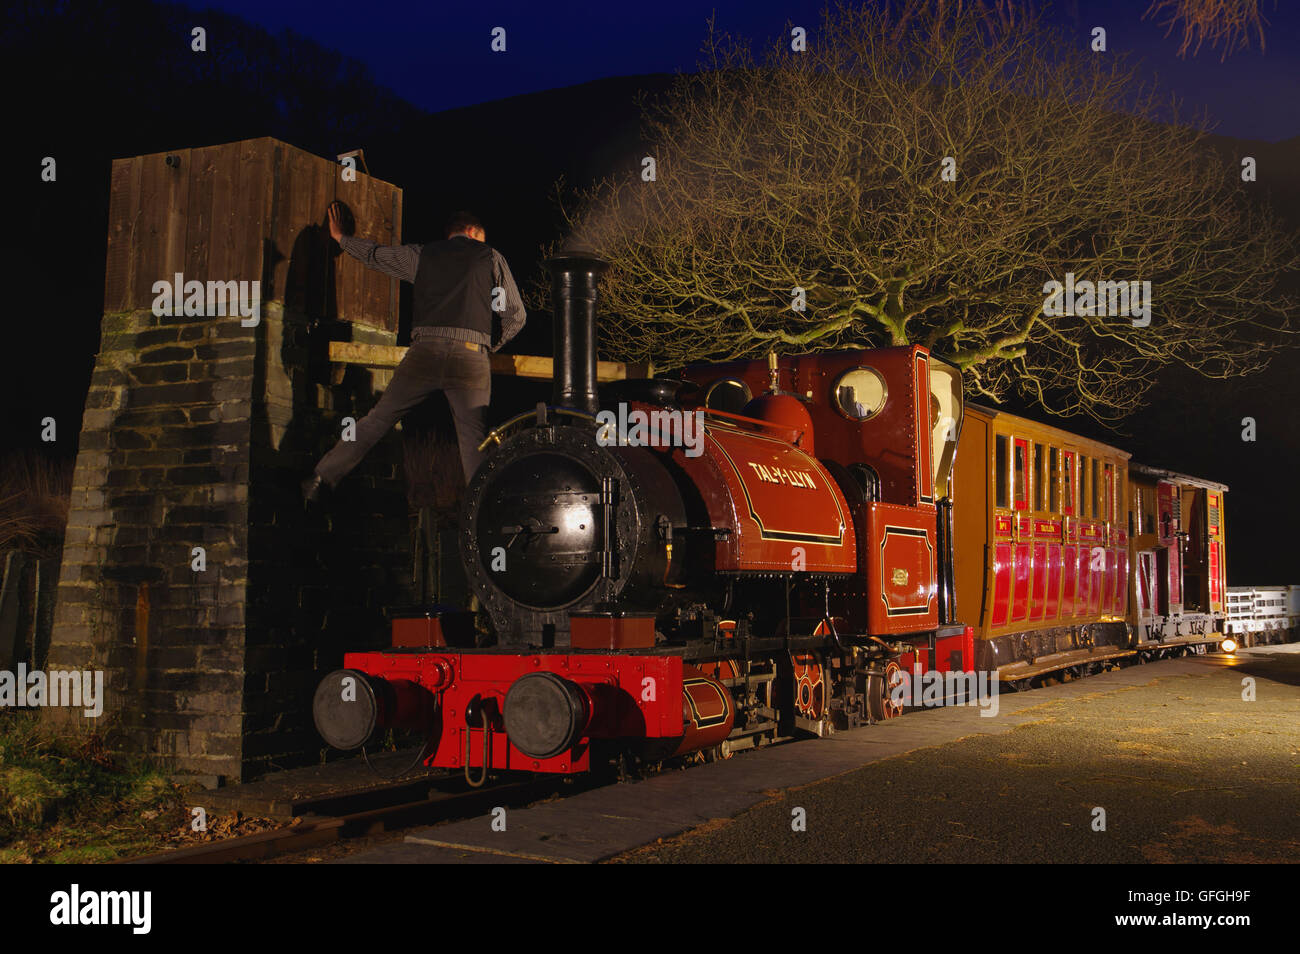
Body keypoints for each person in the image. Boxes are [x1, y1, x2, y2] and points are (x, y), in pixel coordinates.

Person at [302, 205, 526, 503]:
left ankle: (321, 478)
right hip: (470, 358)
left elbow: (376, 255)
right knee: (474, 440)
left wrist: (341, 238)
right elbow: (515, 316)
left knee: (377, 419)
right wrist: (486, 345)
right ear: (472, 232)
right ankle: (483, 512)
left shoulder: (422, 255)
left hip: (424, 353)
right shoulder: (490, 257)